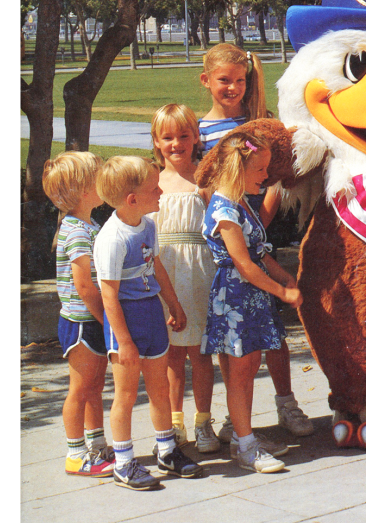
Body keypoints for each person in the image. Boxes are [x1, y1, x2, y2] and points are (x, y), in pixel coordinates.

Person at [198, 43, 314, 440]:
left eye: (240, 80)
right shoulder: (202, 131)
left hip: (258, 228)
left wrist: (259, 220)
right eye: (224, 80)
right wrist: (234, 225)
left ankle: (286, 401)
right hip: (229, 235)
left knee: (272, 329)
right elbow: (204, 181)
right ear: (206, 81)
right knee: (235, 340)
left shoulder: (258, 126)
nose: (233, 88)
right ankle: (237, 418)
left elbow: (277, 176)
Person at [195, 131, 303, 473]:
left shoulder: (241, 202)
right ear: (237, 169)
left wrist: (285, 277)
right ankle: (245, 447)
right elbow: (243, 264)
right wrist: (281, 292)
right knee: (240, 374)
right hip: (236, 298)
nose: (266, 177)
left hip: (252, 296)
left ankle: (244, 436)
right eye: (260, 170)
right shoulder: (224, 209)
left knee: (249, 368)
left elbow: (259, 253)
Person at [94, 156, 202, 490]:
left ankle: (167, 449)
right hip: (126, 321)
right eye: (154, 188)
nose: (161, 192)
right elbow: (109, 297)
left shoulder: (148, 225)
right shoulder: (112, 238)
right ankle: (124, 462)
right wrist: (124, 341)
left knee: (159, 388)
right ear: (132, 199)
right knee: (126, 395)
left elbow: (156, 267)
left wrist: (174, 303)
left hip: (152, 314)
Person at [150, 104, 219, 453]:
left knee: (200, 351)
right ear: (156, 141)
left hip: (199, 271)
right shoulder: (152, 183)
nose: (176, 143)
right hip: (164, 272)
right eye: (167, 137)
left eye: (183, 135)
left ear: (195, 137)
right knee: (172, 355)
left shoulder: (204, 180)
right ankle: (174, 423)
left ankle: (203, 422)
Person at [42, 151, 113, 477]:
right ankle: (75, 454)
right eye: (99, 178)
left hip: (91, 320)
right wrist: (107, 319)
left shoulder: (89, 224)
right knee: (81, 389)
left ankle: (96, 445)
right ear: (84, 191)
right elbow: (84, 286)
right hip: (82, 323)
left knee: (95, 386)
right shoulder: (77, 231)